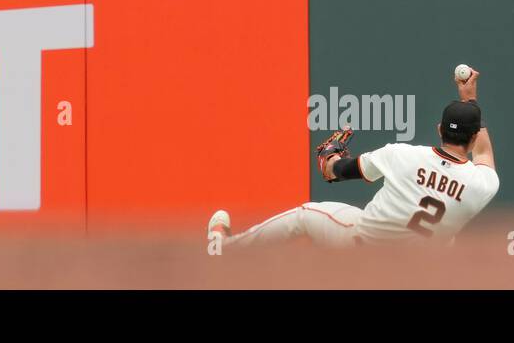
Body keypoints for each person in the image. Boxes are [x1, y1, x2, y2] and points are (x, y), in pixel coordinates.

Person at [208, 69, 498, 248]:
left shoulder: (401, 155)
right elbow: (483, 153)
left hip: (362, 247)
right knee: (448, 243)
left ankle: (228, 249)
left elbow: (333, 170)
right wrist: (470, 100)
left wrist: (330, 160)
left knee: (305, 215)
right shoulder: (481, 184)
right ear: (473, 138)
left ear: (439, 130)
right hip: (415, 275)